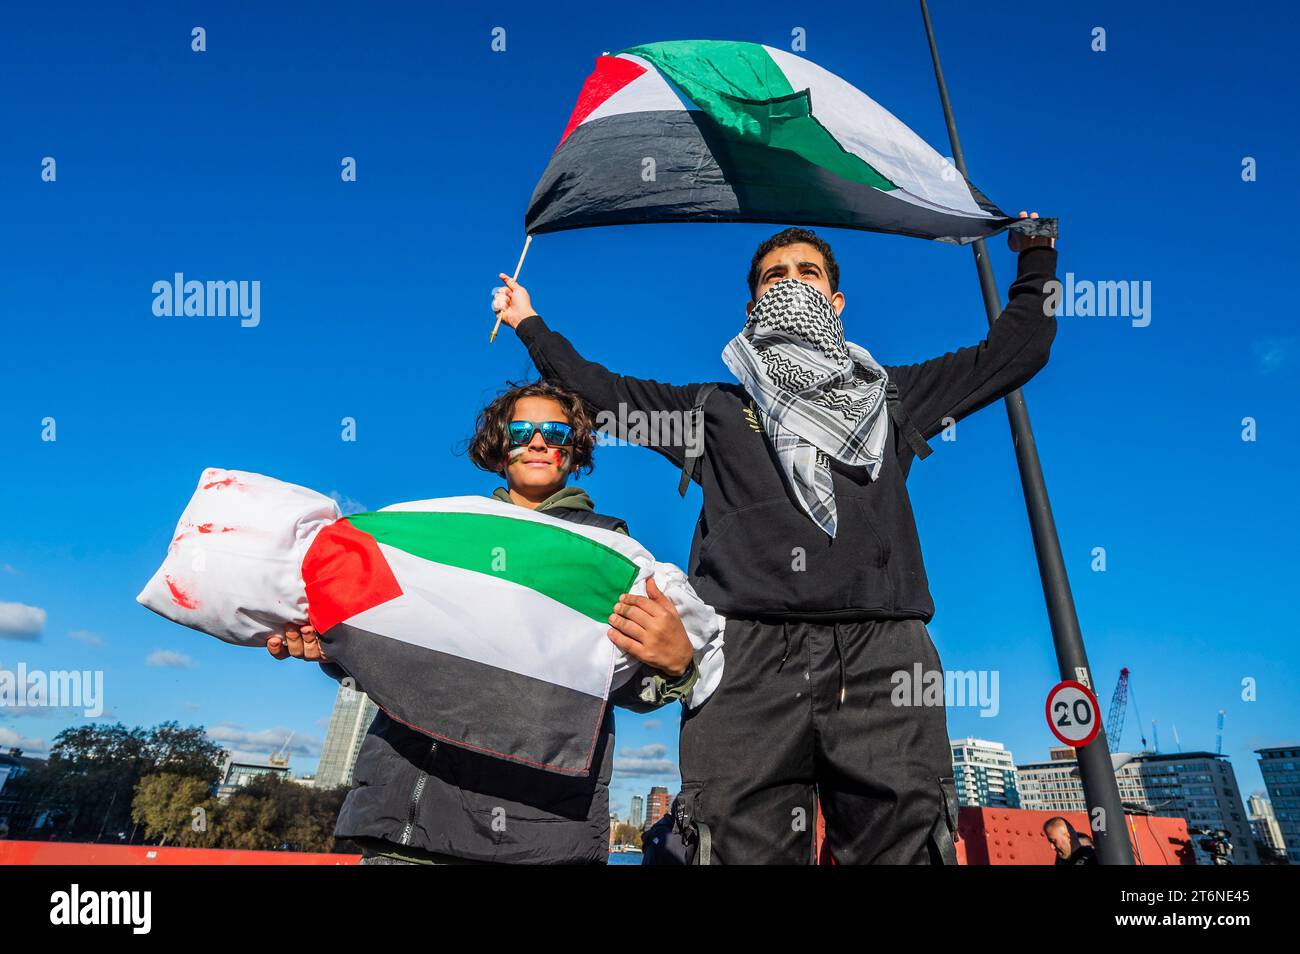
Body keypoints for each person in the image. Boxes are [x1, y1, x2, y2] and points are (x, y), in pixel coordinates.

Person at [491, 213, 1058, 864]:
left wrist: (1036, 252)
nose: (790, 284)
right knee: (735, 848)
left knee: (905, 849)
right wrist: (529, 323)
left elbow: (1018, 350)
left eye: (807, 273)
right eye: (774, 277)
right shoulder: (709, 412)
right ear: (753, 304)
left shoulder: (892, 397)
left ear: (835, 301)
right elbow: (598, 389)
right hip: (745, 664)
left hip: (885, 660)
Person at [269, 381, 700, 864]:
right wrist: (332, 648)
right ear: (500, 448)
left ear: (575, 453)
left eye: (555, 432)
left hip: (535, 841)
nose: (538, 441)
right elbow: (395, 654)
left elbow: (619, 684)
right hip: (404, 833)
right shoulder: (445, 537)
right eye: (522, 430)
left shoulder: (611, 557)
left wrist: (677, 667)